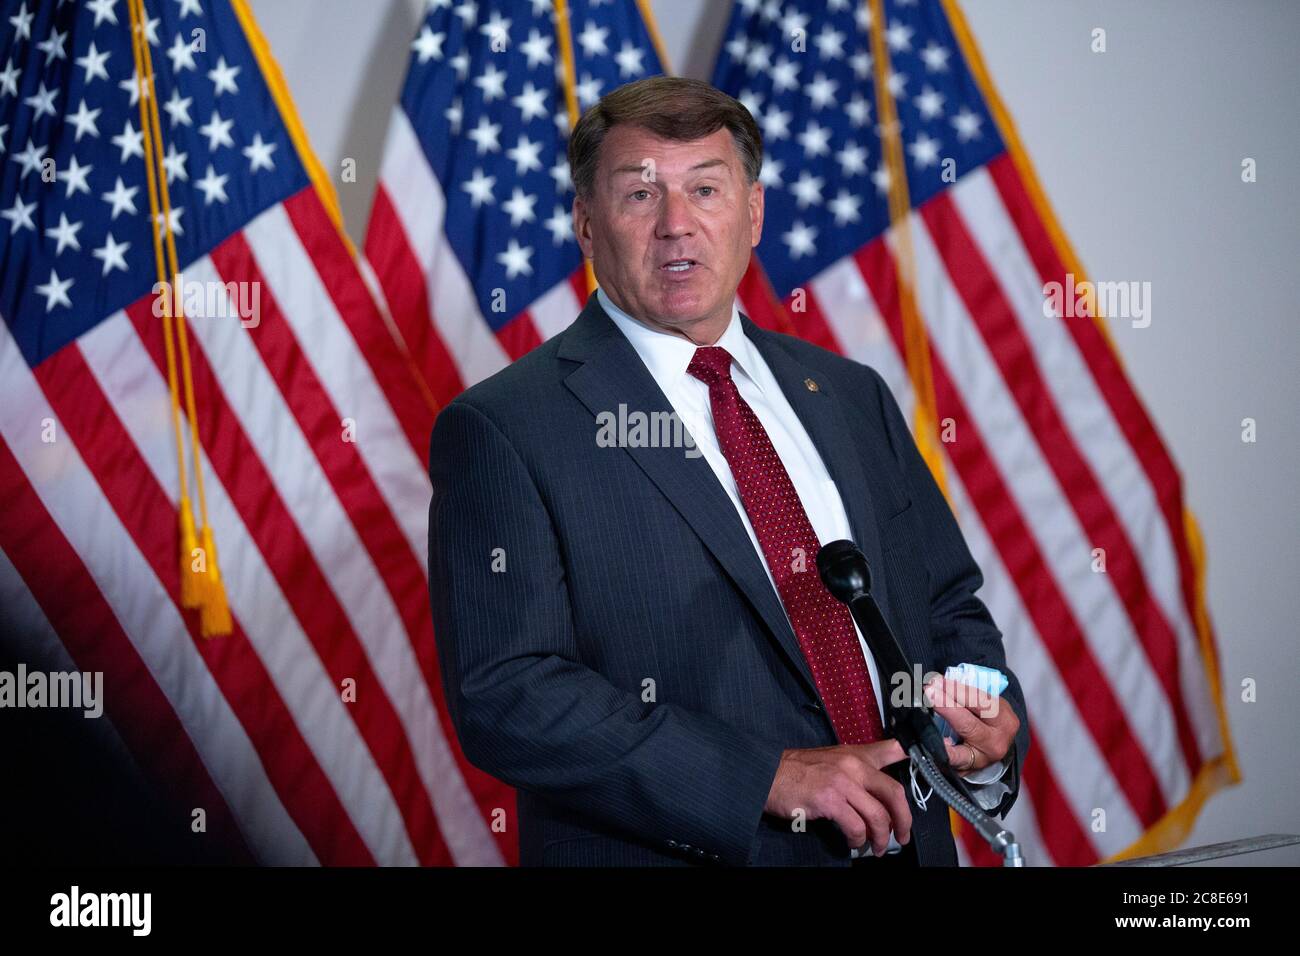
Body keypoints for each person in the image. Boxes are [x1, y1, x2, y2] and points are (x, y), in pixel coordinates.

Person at [427, 76, 1028, 867]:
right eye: (639, 195)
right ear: (584, 223)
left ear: (752, 214)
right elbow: (506, 694)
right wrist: (763, 778)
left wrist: (981, 718)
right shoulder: (505, 428)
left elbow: (947, 605)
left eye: (706, 189)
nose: (678, 226)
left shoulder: (850, 394)